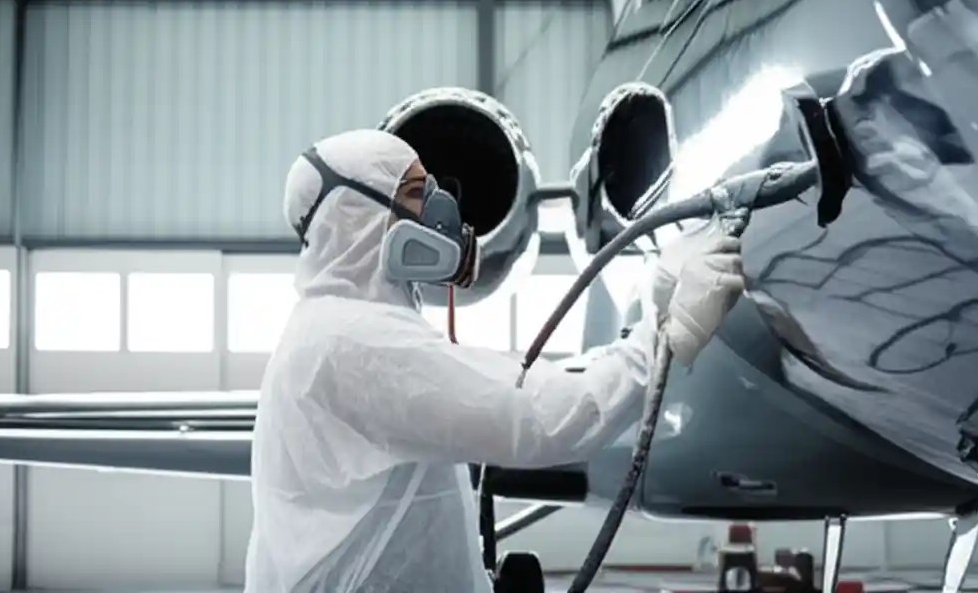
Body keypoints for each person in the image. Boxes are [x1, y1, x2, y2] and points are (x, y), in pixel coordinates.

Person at [244, 128, 747, 592]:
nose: (439, 216)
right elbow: (540, 418)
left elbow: (509, 388)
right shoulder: (353, 342)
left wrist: (650, 316)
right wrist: (661, 338)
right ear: (358, 217)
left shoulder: (333, 329)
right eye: (417, 196)